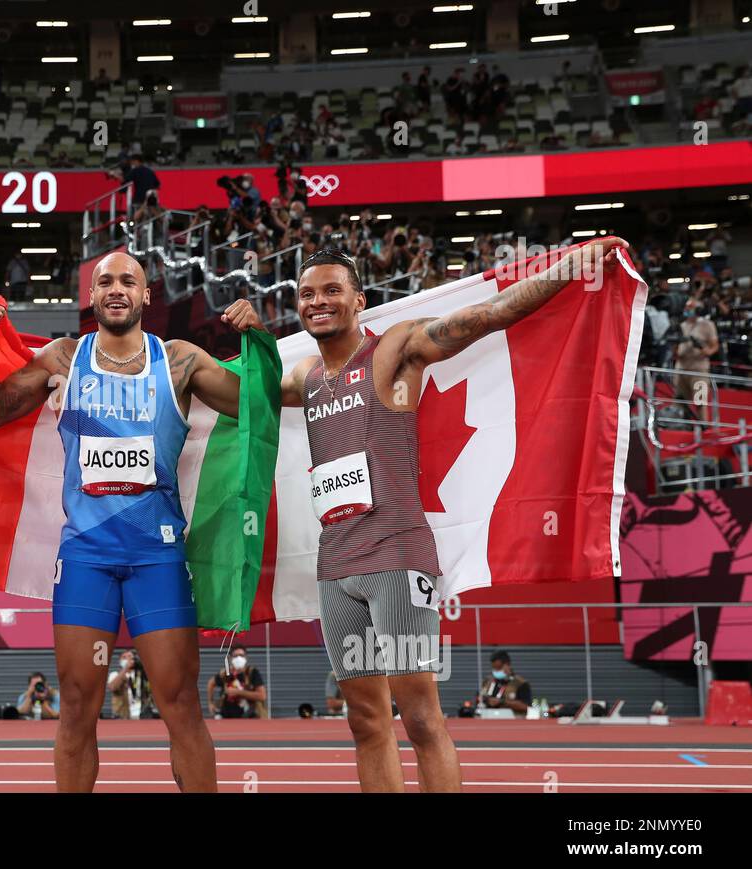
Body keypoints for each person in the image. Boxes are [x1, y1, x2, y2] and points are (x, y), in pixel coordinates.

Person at [255, 238, 627, 792]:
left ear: (359, 299)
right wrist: (243, 336)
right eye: (307, 294)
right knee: (364, 719)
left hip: (398, 560)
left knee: (421, 717)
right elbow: (232, 393)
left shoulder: (396, 349)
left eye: (333, 290)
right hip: (337, 569)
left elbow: (492, 314)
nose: (318, 302)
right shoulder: (305, 378)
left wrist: (569, 269)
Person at [0, 251, 263, 792]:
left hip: (159, 558)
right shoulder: (62, 358)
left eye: (130, 280)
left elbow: (257, 407)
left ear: (148, 295)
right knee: (77, 705)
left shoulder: (179, 361)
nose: (117, 288)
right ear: (92, 296)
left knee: (180, 705)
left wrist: (257, 341)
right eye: (105, 281)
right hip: (87, 558)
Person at [674, 296, 720, 418]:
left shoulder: (707, 325)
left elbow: (715, 345)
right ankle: (681, 428)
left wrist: (707, 351)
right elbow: (676, 346)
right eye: (686, 306)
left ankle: (703, 428)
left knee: (700, 402)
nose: (687, 309)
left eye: (690, 307)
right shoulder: (682, 325)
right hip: (681, 369)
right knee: (679, 402)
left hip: (699, 370)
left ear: (698, 309)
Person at [206, 645, 267, 719]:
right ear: (230, 658)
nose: (239, 658)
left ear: (246, 657)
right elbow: (211, 683)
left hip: (249, 717)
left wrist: (238, 692)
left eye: (241, 655)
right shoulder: (225, 673)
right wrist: (210, 703)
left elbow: (262, 696)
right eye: (235, 656)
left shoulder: (252, 673)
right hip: (226, 717)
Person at [479, 650, 532, 716]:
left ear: (507, 664)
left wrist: (502, 702)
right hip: (488, 719)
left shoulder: (521, 683)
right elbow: (479, 700)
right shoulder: (487, 682)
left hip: (512, 721)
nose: (496, 671)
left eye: (498, 668)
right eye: (494, 668)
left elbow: (526, 707)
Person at [107, 649, 152, 720]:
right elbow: (112, 687)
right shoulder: (115, 674)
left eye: (130, 657)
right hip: (122, 714)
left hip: (142, 715)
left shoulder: (141, 675)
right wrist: (125, 668)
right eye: (124, 657)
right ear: (120, 661)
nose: (127, 659)